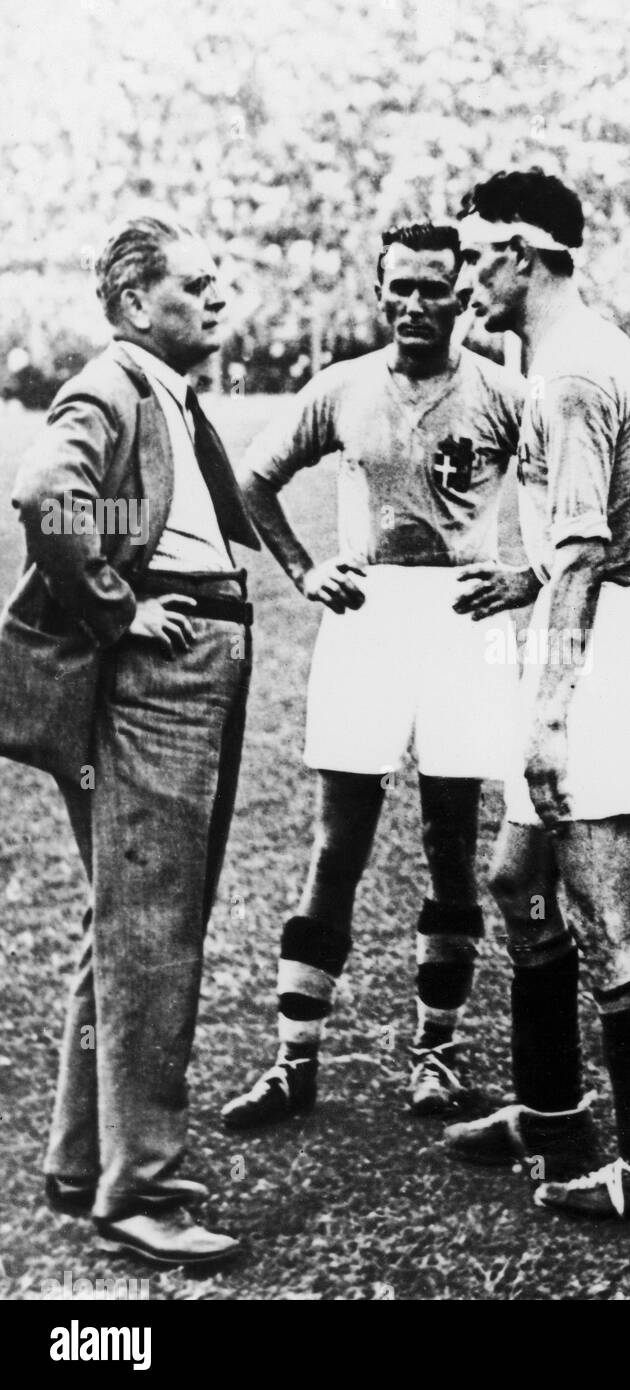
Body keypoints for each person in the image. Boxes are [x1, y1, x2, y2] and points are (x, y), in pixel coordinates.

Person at [221, 222, 529, 1129]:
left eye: (435, 287)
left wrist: (527, 572)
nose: (415, 304)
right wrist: (306, 568)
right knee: (336, 846)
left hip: (462, 618)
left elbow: (569, 494)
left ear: (462, 292)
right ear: (379, 289)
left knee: (450, 843)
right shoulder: (345, 386)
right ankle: (293, 1059)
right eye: (400, 286)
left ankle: (436, 1051)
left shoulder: (504, 394)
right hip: (364, 619)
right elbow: (252, 479)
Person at [0, 215, 260, 1265]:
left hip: (187, 665)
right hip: (156, 675)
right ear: (131, 305)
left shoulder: (162, 391)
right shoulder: (111, 387)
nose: (218, 297)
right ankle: (139, 1192)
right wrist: (117, 609)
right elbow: (42, 496)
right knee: (155, 929)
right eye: (197, 285)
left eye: (217, 281)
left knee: (131, 914)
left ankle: (83, 1158)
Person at [443, 170, 630, 1221]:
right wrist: (526, 578)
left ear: (520, 253)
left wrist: (548, 711)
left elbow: (590, 550)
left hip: (608, 645)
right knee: (516, 879)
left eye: (471, 257)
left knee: (599, 910)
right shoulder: (561, 358)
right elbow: (571, 544)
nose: (463, 282)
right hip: (579, 622)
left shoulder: (575, 374)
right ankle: (550, 1114)